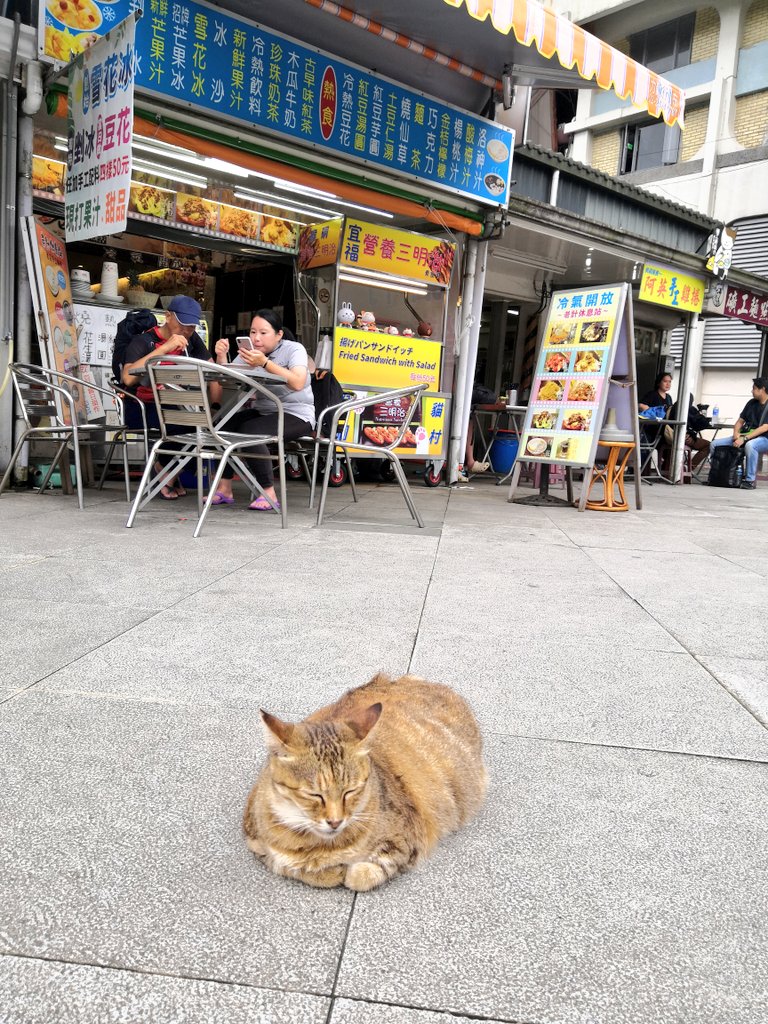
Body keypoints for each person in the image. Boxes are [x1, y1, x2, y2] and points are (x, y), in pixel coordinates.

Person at [208, 309, 315, 512]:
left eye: (263, 333)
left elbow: (298, 382)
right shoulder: (249, 354)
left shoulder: (294, 350)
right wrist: (221, 358)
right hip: (264, 411)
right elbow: (230, 380)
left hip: (296, 413)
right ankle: (225, 487)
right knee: (221, 425)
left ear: (279, 335)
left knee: (250, 431)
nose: (256, 338)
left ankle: (268, 492)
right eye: (252, 332)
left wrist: (265, 363)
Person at [121, 295, 211, 500]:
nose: (187, 330)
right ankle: (166, 471)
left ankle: (167, 471)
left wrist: (214, 403)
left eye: (192, 326)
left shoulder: (192, 341)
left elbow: (212, 370)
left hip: (179, 405)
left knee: (207, 426)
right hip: (143, 407)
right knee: (190, 425)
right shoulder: (144, 340)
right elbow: (127, 378)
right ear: (168, 316)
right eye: (183, 324)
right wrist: (165, 349)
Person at [709, 377, 768, 489]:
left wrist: (744, 439)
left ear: (762, 389)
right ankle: (716, 474)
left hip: (764, 439)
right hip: (744, 436)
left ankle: (749, 481)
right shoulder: (751, 403)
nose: (752, 391)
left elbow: (764, 428)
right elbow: (740, 421)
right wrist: (736, 433)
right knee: (714, 444)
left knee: (751, 446)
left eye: (754, 388)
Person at [671, 393, 711, 471]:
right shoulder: (689, 409)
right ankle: (689, 468)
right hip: (684, 438)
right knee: (708, 445)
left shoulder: (673, 407)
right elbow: (703, 424)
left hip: (670, 437)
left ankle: (686, 468)